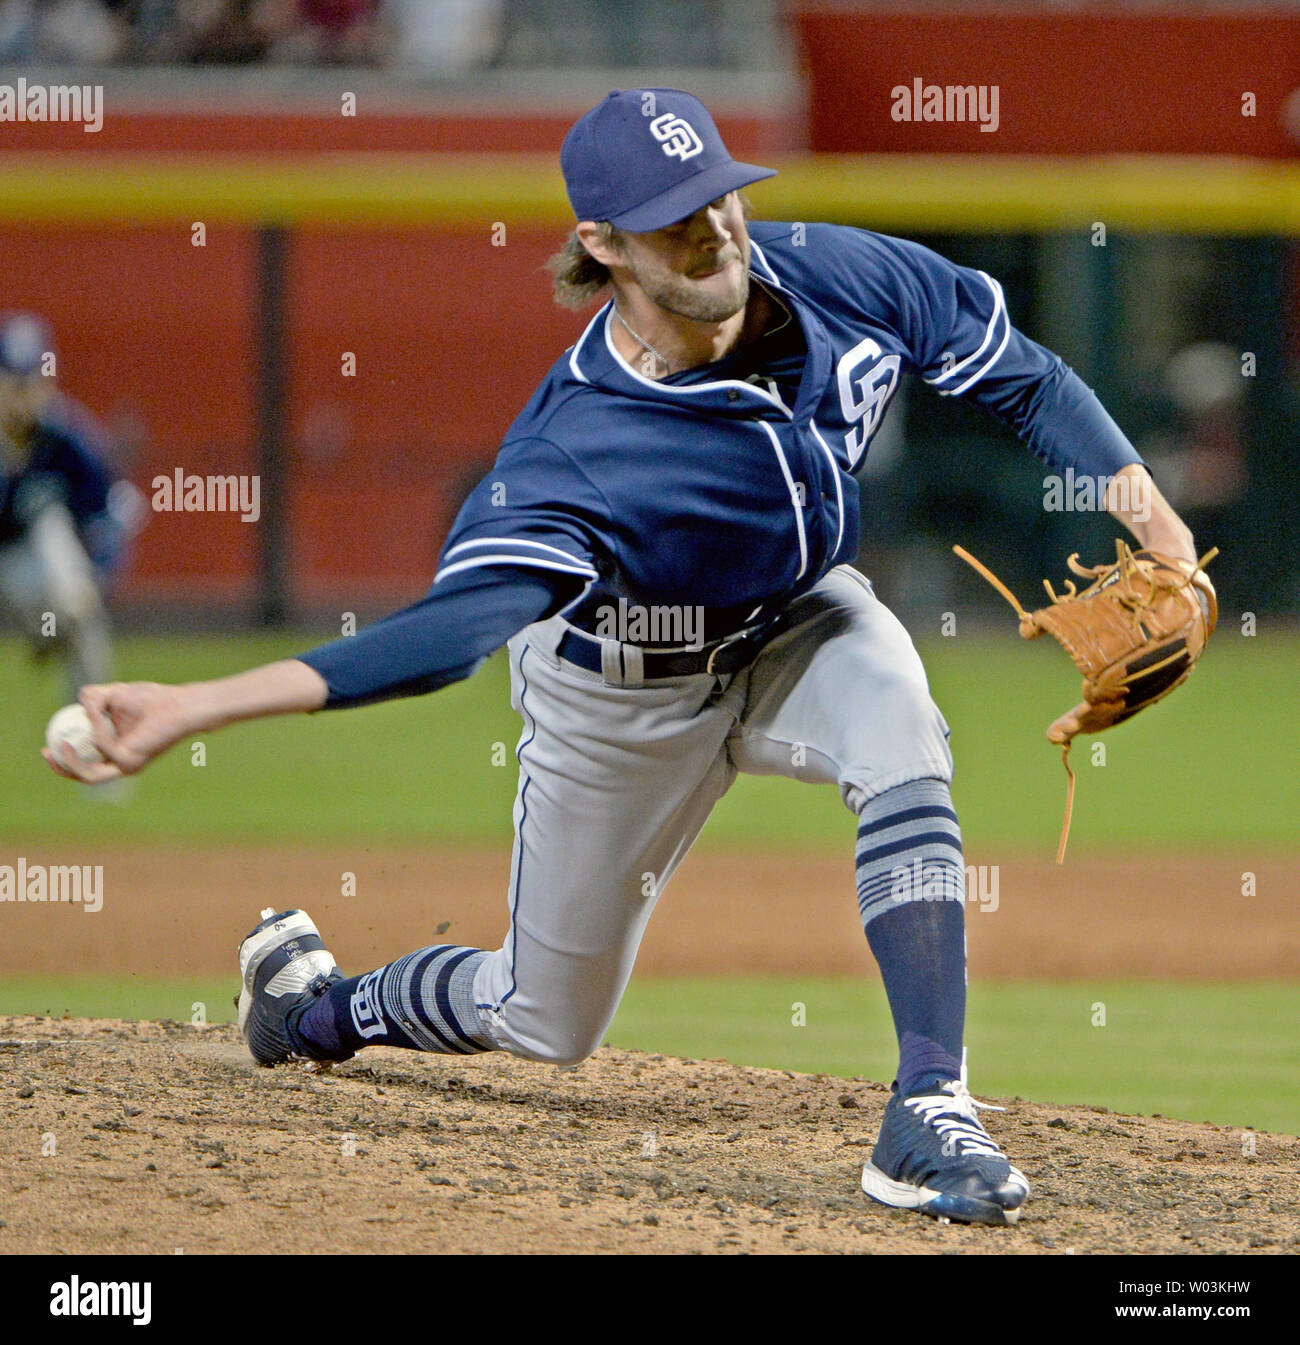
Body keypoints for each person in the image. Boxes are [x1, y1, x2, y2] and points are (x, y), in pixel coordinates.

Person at [43, 89, 1202, 1227]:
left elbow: (1019, 373)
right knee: (545, 1016)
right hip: (619, 692)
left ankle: (931, 1106)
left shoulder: (840, 274)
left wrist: (1151, 521)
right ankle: (312, 1006)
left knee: (902, 719)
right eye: (672, 217)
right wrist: (198, 703)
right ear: (600, 244)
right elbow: (444, 639)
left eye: (719, 198)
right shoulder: (579, 450)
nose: (713, 232)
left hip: (797, 624)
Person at [1, 311, 140, 704]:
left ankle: (89, 728)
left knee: (55, 536)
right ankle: (44, 629)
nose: (21, 397)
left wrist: (98, 575)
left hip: (27, 562)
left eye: (31, 384)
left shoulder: (67, 440)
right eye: (12, 384)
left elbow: (111, 512)